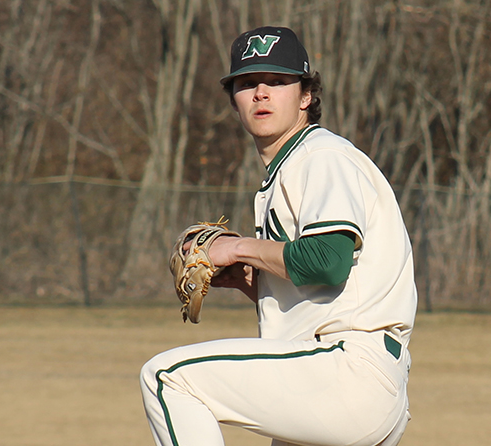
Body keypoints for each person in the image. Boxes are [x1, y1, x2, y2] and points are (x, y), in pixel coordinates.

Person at [140, 26, 417, 446]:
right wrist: (255, 282)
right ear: (233, 101)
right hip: (340, 379)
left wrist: (236, 247)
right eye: (247, 83)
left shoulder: (321, 155)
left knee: (168, 379)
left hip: (346, 371)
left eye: (278, 81)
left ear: (306, 96)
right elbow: (332, 289)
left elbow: (328, 260)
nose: (261, 93)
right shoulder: (290, 169)